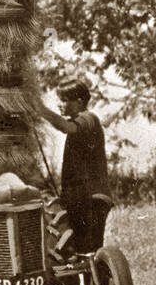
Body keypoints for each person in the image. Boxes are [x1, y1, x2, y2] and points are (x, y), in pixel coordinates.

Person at [31, 80, 113, 251]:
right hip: (79, 198)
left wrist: (40, 109)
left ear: (79, 102)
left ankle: (100, 277)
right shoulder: (81, 122)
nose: (61, 105)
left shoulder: (88, 119)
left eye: (64, 100)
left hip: (90, 198)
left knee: (89, 251)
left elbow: (64, 126)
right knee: (80, 251)